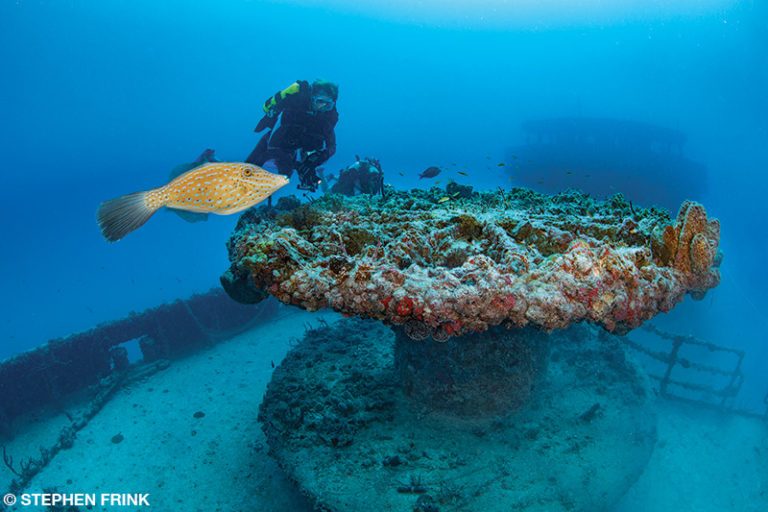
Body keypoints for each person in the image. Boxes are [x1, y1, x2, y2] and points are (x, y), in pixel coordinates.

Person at [245, 79, 339, 192]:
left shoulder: (327, 117)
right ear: (312, 98)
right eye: (320, 102)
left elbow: (332, 146)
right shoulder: (296, 104)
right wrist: (298, 165)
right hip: (279, 141)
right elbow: (272, 146)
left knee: (286, 177)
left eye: (328, 105)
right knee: (247, 170)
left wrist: (319, 158)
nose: (322, 108)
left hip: (300, 146)